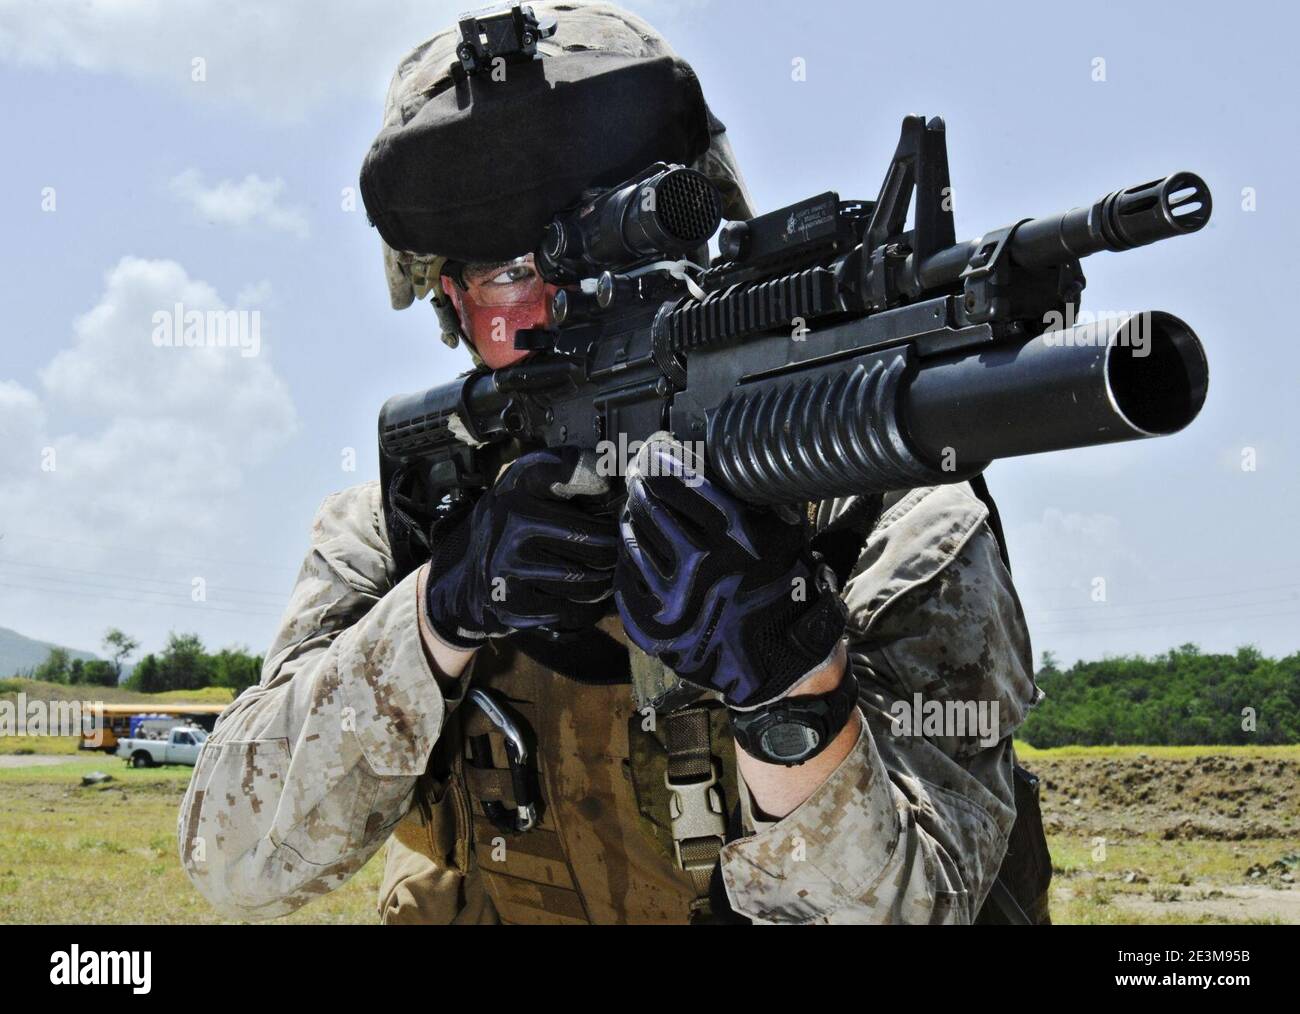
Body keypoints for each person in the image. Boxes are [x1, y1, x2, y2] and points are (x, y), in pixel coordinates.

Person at [177, 0, 1048, 925]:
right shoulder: (405, 527)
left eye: (611, 236)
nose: (568, 296)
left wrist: (789, 684)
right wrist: (438, 618)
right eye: (513, 266)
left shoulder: (886, 516)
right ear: (453, 303)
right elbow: (232, 863)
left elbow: (921, 912)